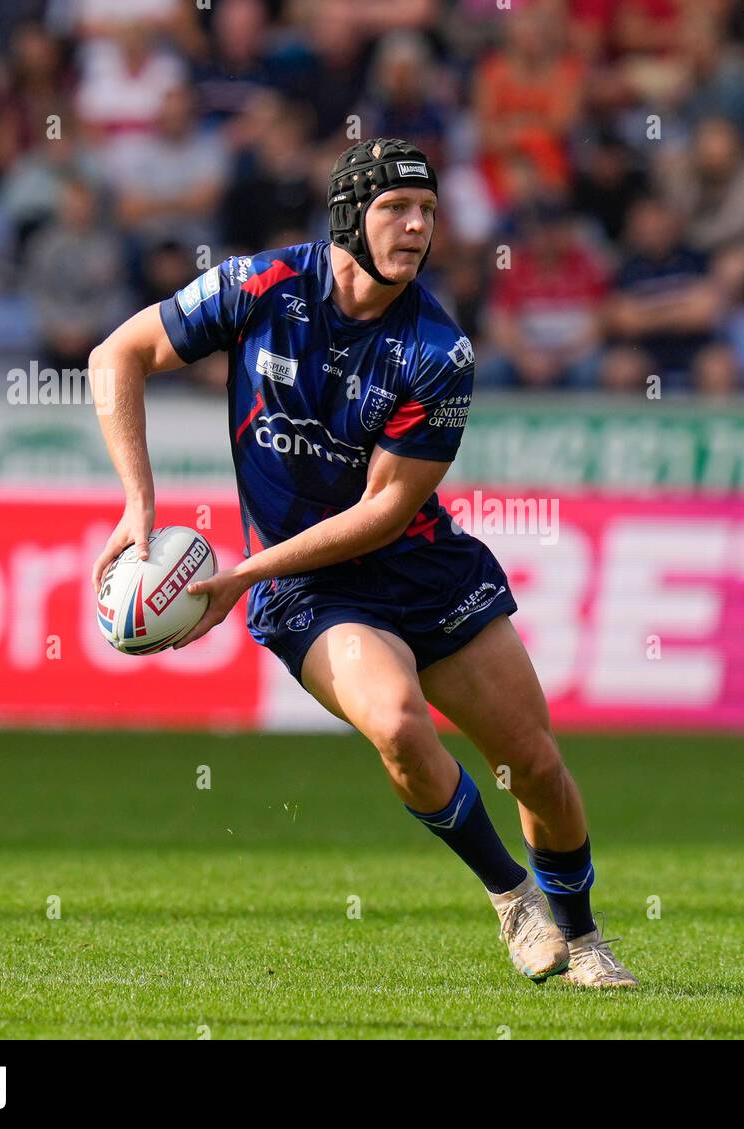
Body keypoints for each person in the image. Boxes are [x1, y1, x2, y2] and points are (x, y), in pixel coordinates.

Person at [87, 138, 637, 989]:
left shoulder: (439, 349)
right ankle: (510, 895)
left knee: (532, 760)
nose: (417, 228)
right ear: (349, 216)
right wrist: (138, 501)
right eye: (396, 210)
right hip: (311, 590)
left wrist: (241, 574)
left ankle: (586, 934)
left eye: (427, 212)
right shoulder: (257, 287)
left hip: (418, 566)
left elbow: (384, 511)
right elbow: (115, 354)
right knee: (396, 722)